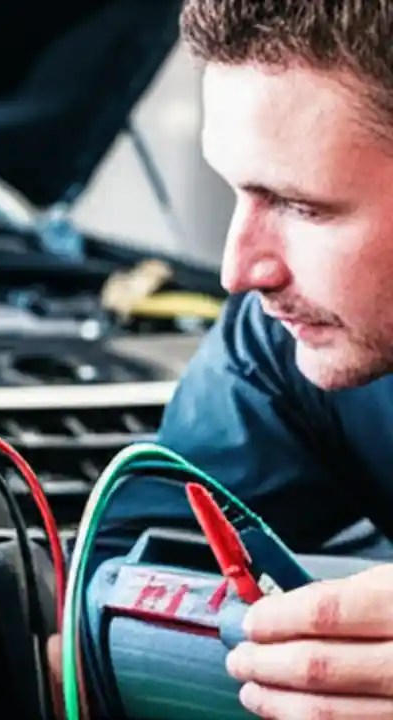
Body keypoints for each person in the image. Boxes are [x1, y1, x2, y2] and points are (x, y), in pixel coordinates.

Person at [50, 1, 393, 718]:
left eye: (300, 206)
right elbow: (109, 594)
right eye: (236, 190)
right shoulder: (278, 344)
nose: (239, 269)